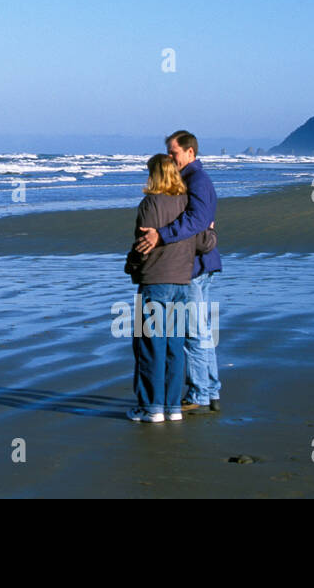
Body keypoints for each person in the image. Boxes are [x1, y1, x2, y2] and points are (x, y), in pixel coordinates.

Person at [135, 130, 224, 414]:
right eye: (169, 154)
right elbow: (202, 227)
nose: (171, 159)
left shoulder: (196, 180)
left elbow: (197, 221)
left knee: (194, 332)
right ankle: (208, 389)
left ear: (190, 152)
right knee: (197, 331)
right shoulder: (188, 182)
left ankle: (201, 392)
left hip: (194, 266)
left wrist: (160, 235)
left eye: (174, 153)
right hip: (194, 263)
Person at [123, 154, 199, 423]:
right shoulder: (189, 204)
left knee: (150, 346)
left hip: (156, 280)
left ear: (154, 174)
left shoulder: (150, 203)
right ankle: (172, 406)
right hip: (181, 280)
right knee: (174, 347)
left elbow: (142, 245)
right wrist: (210, 232)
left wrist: (131, 265)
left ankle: (151, 407)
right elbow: (203, 242)